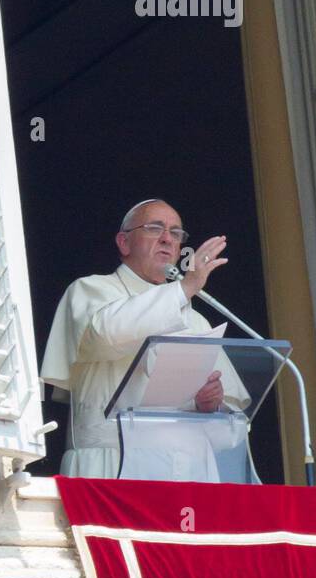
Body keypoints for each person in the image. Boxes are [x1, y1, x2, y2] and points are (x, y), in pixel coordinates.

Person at [40, 198, 246, 478]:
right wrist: (185, 287)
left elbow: (233, 431)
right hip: (113, 466)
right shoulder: (90, 290)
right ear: (124, 242)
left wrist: (212, 405)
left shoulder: (195, 320)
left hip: (186, 473)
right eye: (154, 228)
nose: (167, 239)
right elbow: (105, 334)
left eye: (175, 233)